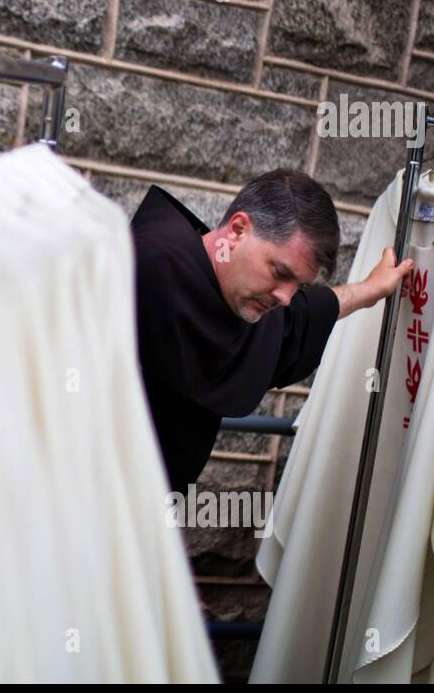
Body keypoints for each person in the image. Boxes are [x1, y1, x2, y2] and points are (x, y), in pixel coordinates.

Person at [130, 168, 415, 492]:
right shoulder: (145, 265)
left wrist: (368, 290)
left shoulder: (233, 293)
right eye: (280, 272)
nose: (285, 296)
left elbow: (301, 317)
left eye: (298, 284)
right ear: (238, 230)